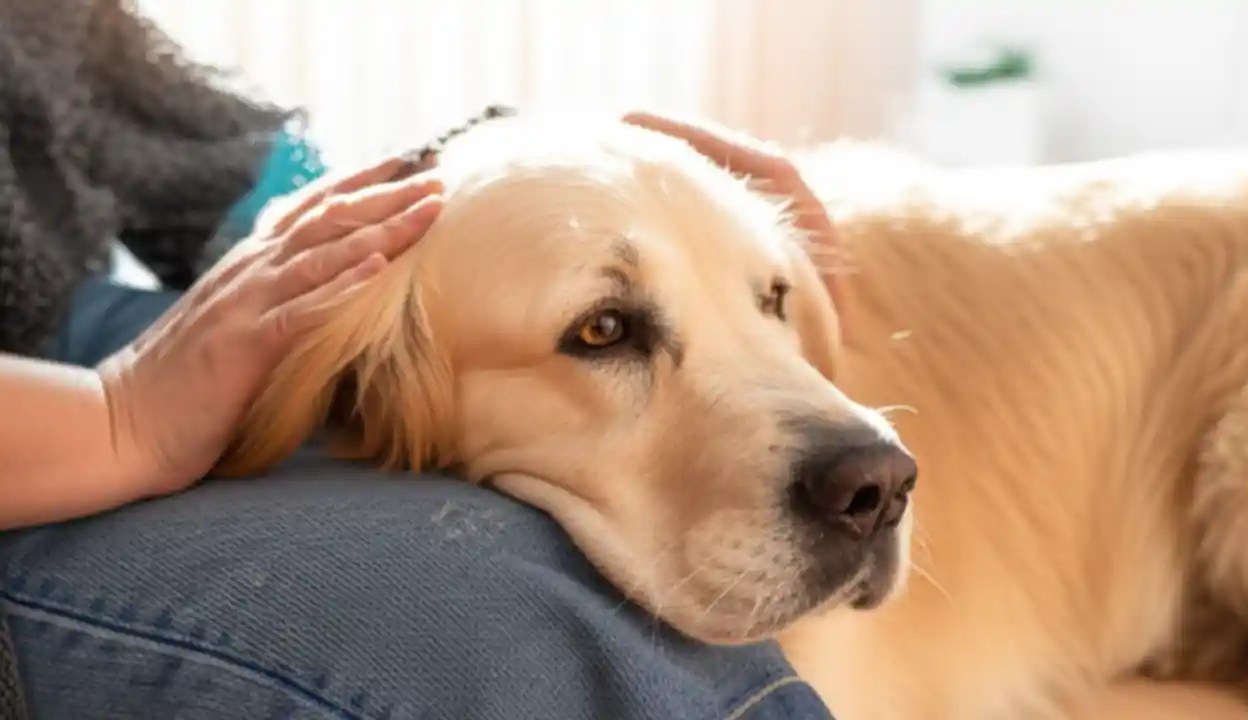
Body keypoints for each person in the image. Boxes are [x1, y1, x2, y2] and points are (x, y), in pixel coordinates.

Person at [0, 3, 847, 718]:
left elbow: (182, 142)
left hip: (58, 320)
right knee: (543, 636)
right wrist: (121, 421)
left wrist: (503, 176)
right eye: (607, 329)